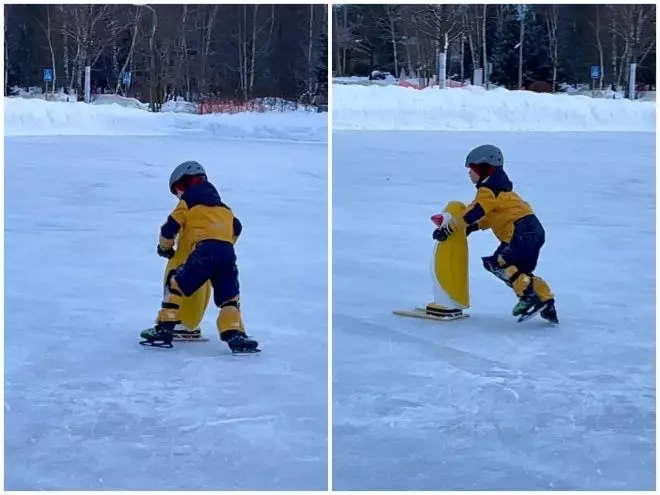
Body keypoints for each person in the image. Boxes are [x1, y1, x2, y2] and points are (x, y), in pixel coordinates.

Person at [140, 160, 260, 352]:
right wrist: (224, 243)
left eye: (177, 189)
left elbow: (169, 227)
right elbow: (237, 227)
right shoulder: (224, 208)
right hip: (227, 254)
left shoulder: (188, 204)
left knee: (176, 284)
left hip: (203, 252)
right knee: (229, 297)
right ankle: (235, 333)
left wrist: (165, 247)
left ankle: (165, 327)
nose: (177, 195)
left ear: (184, 185)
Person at [432, 144, 558, 323]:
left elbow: (473, 213)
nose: (469, 173)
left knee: (498, 264)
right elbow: (487, 218)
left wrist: (449, 228)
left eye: (472, 169)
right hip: (533, 231)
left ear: (483, 168)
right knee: (520, 273)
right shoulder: (502, 190)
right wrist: (469, 229)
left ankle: (529, 297)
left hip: (520, 232)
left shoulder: (488, 190)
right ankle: (547, 301)